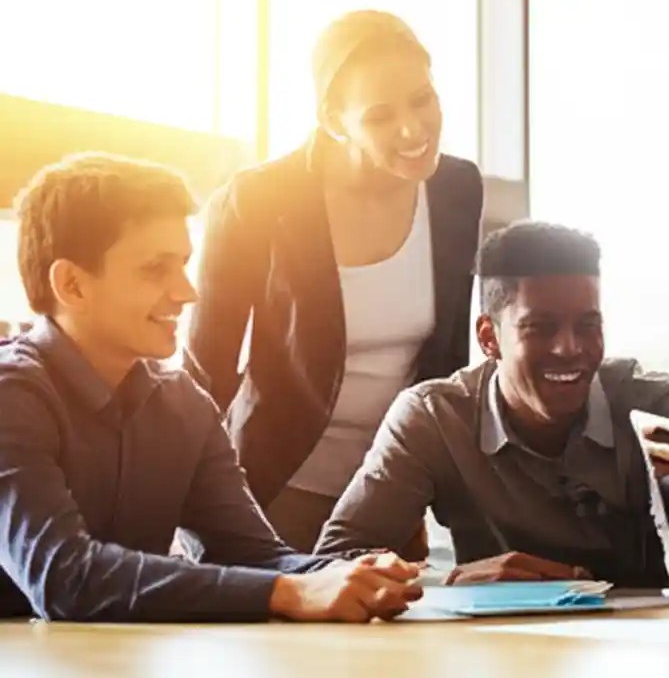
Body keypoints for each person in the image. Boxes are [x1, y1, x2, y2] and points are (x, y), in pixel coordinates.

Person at [0, 153, 420, 622]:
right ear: (72, 285)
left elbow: (257, 557)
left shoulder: (182, 403)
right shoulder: (12, 396)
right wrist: (291, 590)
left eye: (183, 265)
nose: (187, 292)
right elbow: (65, 579)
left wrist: (352, 575)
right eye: (156, 268)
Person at [185, 10, 484, 552]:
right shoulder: (258, 200)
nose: (413, 130)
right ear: (332, 120)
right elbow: (206, 372)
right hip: (276, 493)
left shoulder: (456, 188)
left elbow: (449, 356)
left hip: (392, 492)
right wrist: (191, 516)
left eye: (422, 99)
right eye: (379, 116)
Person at [316, 221, 669, 587]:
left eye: (587, 326)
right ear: (489, 338)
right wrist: (449, 581)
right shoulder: (433, 418)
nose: (569, 348)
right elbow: (335, 563)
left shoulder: (662, 408)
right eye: (540, 328)